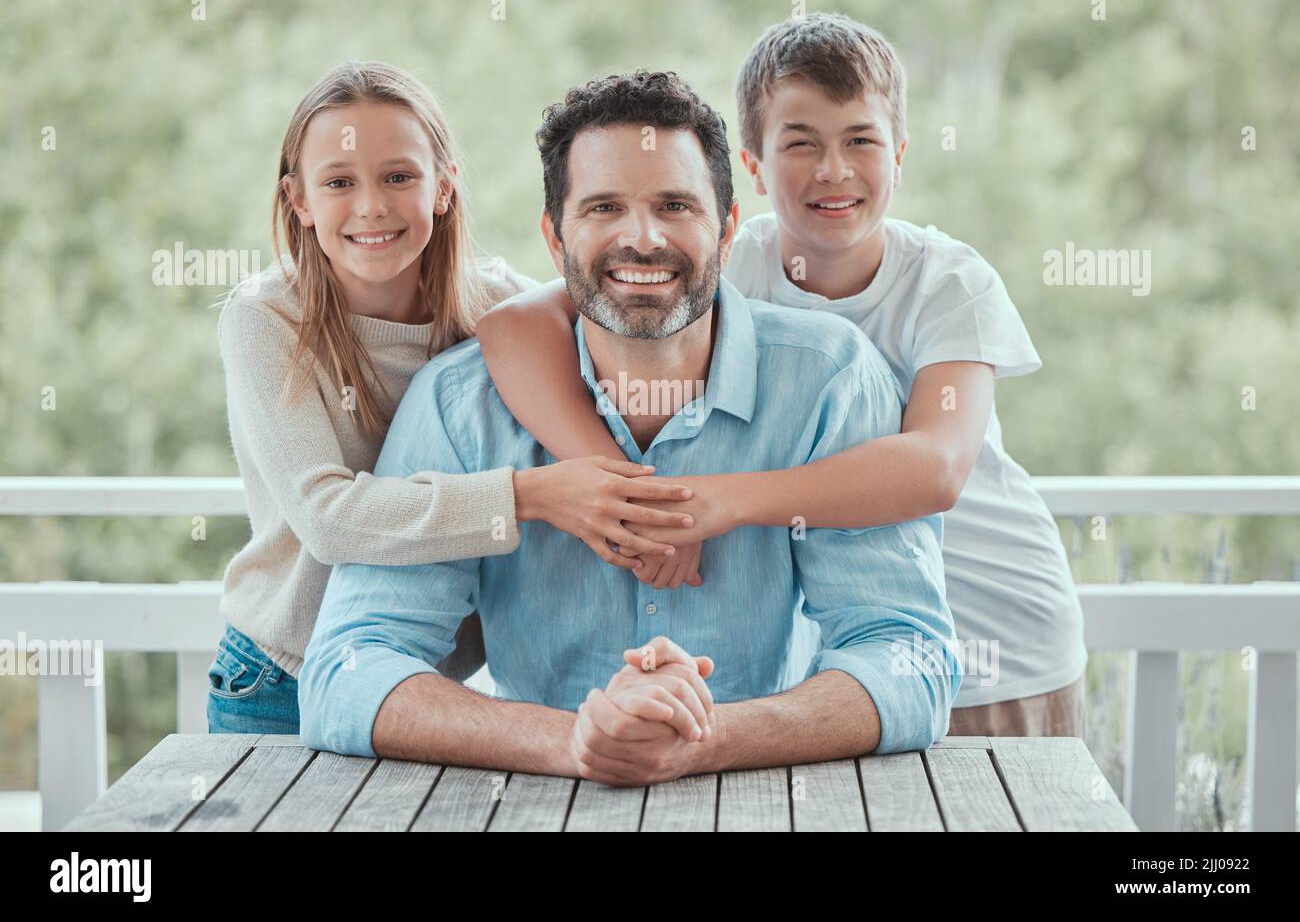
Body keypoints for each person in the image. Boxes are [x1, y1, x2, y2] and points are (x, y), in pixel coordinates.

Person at [298, 70, 961, 786]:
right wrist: (577, 742)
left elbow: (908, 656)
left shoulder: (831, 382)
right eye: (604, 207)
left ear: (729, 229)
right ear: (554, 239)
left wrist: (713, 738)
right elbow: (347, 669)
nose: (641, 238)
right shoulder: (459, 406)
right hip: (531, 803)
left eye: (674, 205)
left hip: (770, 800)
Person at [476, 15, 1087, 738]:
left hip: (1000, 642)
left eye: (861, 139)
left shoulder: (948, 284)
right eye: (801, 143)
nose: (834, 169)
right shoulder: (732, 261)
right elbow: (513, 327)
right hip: (849, 653)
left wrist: (717, 504)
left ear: (901, 155)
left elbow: (936, 469)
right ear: (755, 166)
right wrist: (640, 504)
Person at [209, 61, 694, 734]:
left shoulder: (496, 308)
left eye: (399, 177)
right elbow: (327, 520)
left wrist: (652, 507)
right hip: (281, 674)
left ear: (444, 185)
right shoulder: (265, 319)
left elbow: (603, 297)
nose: (372, 205)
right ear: (299, 200)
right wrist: (534, 495)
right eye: (339, 183)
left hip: (431, 687)